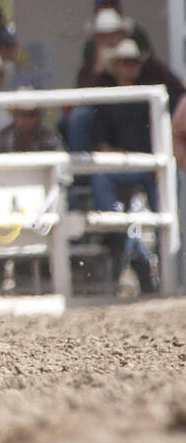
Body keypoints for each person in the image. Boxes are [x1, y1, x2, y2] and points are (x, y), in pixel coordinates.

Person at [90, 38, 180, 295]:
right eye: (124, 63)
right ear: (115, 66)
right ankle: (125, 241)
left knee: (165, 201)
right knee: (103, 184)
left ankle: (166, 270)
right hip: (123, 165)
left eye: (133, 62)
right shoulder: (109, 97)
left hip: (149, 165)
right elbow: (101, 143)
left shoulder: (151, 95)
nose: (129, 67)